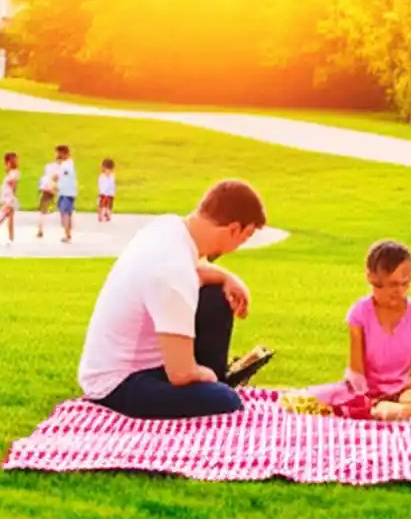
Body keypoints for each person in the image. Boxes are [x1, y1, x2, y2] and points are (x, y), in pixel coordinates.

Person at [77, 179, 269, 419]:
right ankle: (215, 387)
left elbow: (196, 270)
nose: (240, 245)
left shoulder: (168, 229)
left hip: (125, 364)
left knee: (215, 296)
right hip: (118, 383)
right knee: (226, 400)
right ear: (232, 229)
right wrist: (208, 377)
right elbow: (181, 373)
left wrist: (226, 277)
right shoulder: (174, 274)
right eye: (245, 236)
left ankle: (212, 385)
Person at [291, 240, 411, 421]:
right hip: (364, 389)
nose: (399, 291)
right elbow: (357, 370)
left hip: (405, 392)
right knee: (308, 398)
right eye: (392, 285)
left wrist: (392, 394)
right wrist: (366, 396)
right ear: (372, 279)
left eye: (405, 283)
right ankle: (386, 410)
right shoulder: (360, 313)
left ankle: (399, 410)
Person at [0, 152, 20, 241]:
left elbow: (13, 183)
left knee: (8, 214)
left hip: (9, 197)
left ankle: (8, 235)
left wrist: (13, 195)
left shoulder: (14, 173)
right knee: (7, 214)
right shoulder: (11, 172)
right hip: (7, 196)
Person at [55, 144, 77, 243]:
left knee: (65, 213)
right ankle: (68, 230)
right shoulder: (67, 164)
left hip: (66, 193)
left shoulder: (67, 165)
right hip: (65, 192)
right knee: (64, 212)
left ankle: (67, 234)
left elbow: (62, 175)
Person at [36, 159, 59, 239]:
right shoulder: (52, 180)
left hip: (44, 194)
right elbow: (53, 189)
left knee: (42, 213)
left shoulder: (44, 178)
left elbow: (40, 188)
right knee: (43, 212)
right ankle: (40, 230)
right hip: (47, 194)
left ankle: (40, 229)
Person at [98, 158, 116, 223]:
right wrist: (103, 193)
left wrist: (109, 194)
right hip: (103, 193)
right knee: (102, 204)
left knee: (109, 204)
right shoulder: (101, 176)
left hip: (110, 194)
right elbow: (101, 185)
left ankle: (108, 214)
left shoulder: (112, 176)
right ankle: (101, 214)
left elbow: (111, 186)